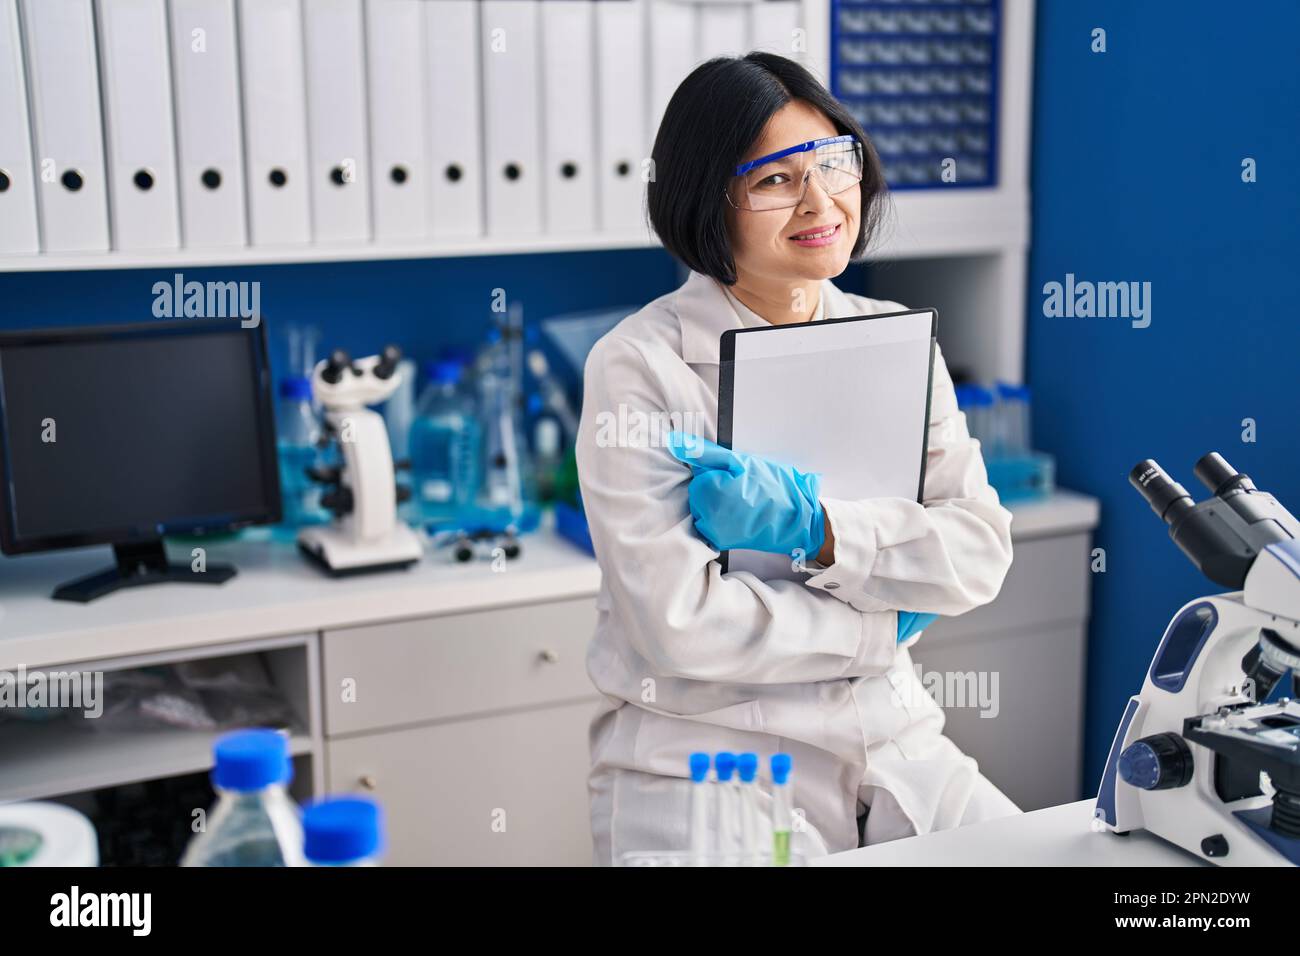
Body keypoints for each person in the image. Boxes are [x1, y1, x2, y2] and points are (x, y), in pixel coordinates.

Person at [575, 52, 1019, 866]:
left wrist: (823, 533)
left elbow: (980, 552)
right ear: (708, 202)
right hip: (708, 757)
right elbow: (680, 626)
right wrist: (880, 622)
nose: (821, 201)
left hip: (892, 734)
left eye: (834, 163)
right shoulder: (641, 365)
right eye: (775, 180)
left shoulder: (899, 338)